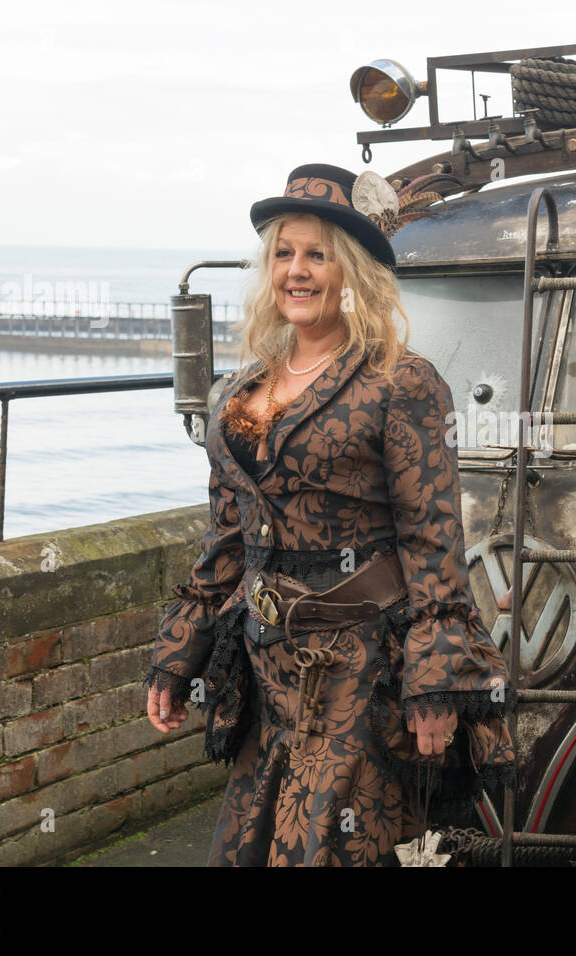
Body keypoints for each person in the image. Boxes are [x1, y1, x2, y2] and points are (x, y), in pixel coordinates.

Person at [144, 163, 514, 866]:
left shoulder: (401, 382)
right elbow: (225, 542)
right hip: (267, 670)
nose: (297, 271)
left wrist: (434, 679)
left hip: (359, 669)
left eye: (318, 254)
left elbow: (433, 539)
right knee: (249, 849)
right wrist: (176, 655)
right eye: (284, 253)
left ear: (352, 274)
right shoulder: (240, 391)